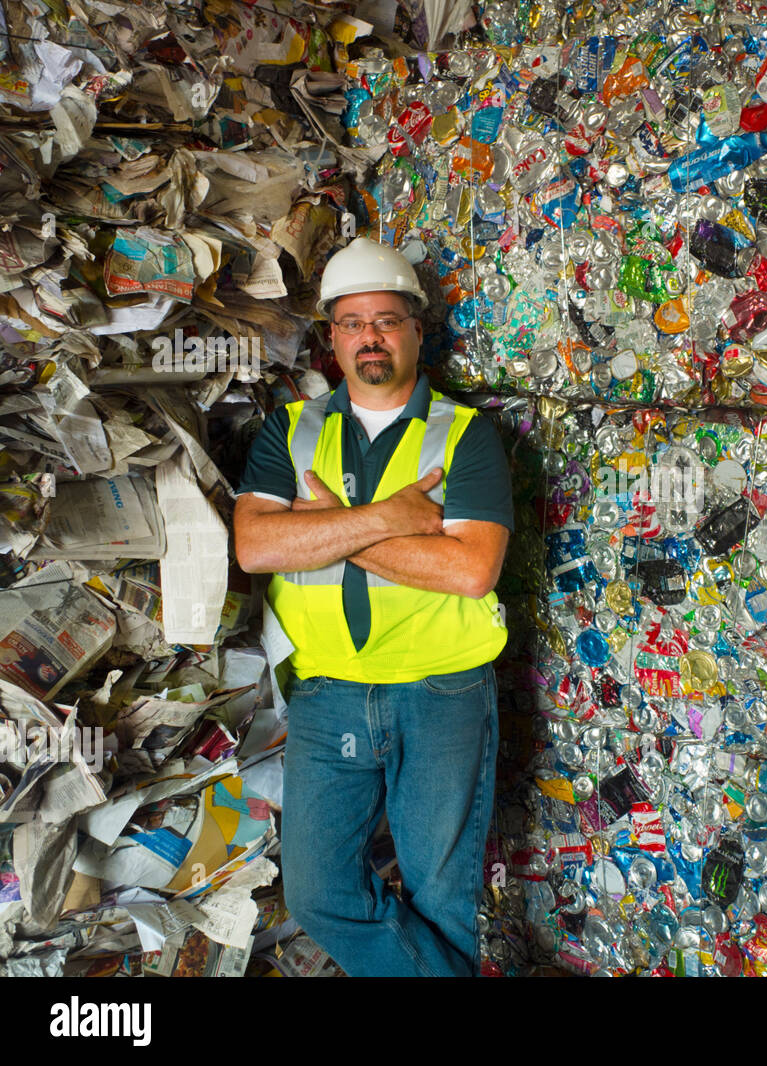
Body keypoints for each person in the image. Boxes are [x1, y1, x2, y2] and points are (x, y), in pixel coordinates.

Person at [232, 238, 513, 976]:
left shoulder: (467, 435)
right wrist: (391, 519)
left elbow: (471, 570)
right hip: (328, 693)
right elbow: (257, 547)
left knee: (440, 896)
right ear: (332, 339)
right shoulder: (291, 431)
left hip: (442, 690)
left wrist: (322, 532)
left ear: (418, 329)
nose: (371, 338)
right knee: (320, 893)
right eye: (352, 323)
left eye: (387, 320)